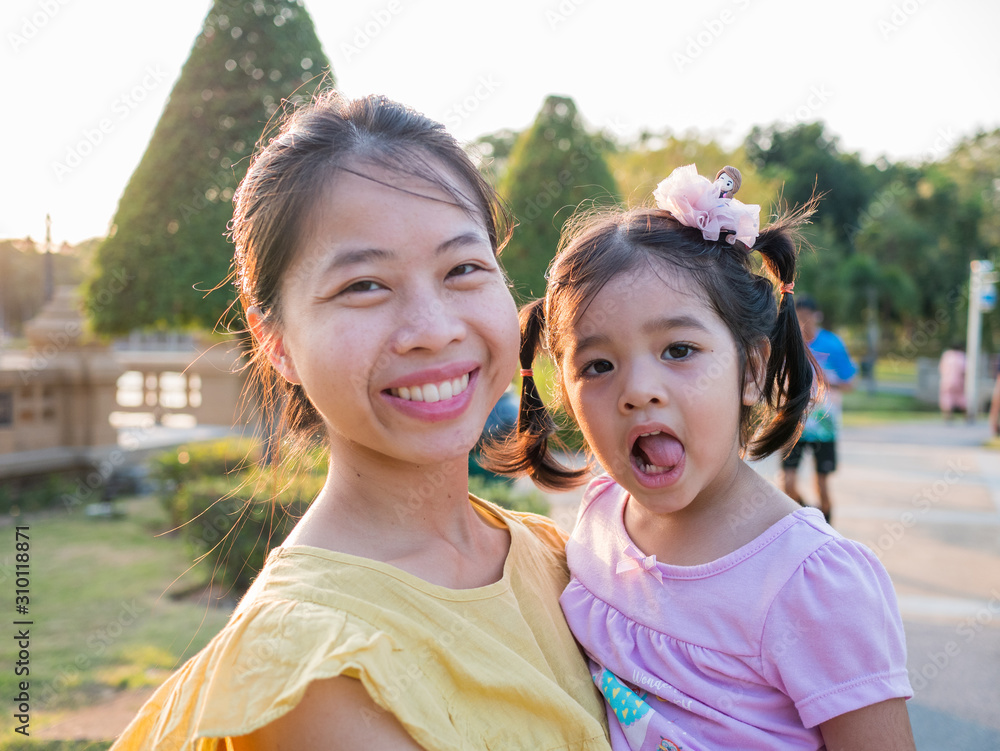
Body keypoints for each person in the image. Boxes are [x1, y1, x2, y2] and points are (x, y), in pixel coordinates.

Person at [110, 92, 610, 750]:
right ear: (276, 341)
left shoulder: (559, 558)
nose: (433, 330)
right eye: (364, 285)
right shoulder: (313, 665)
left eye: (463, 268)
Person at [487, 164, 914, 750]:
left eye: (679, 349)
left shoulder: (812, 586)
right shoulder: (600, 514)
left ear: (752, 369)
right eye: (598, 366)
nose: (639, 390)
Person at [780, 296, 857, 524]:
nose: (803, 322)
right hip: (793, 422)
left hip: (824, 426)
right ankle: (811, 520)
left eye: (806, 317)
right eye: (798, 317)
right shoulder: (786, 344)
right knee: (787, 484)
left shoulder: (833, 344)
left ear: (816, 316)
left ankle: (827, 532)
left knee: (822, 485)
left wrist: (823, 382)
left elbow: (850, 383)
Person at [938, 342, 967, 421]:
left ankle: (947, 415)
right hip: (959, 381)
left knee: (946, 397)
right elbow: (964, 370)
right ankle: (966, 415)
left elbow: (941, 367)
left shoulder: (947, 355)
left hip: (946, 380)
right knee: (961, 397)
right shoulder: (962, 356)